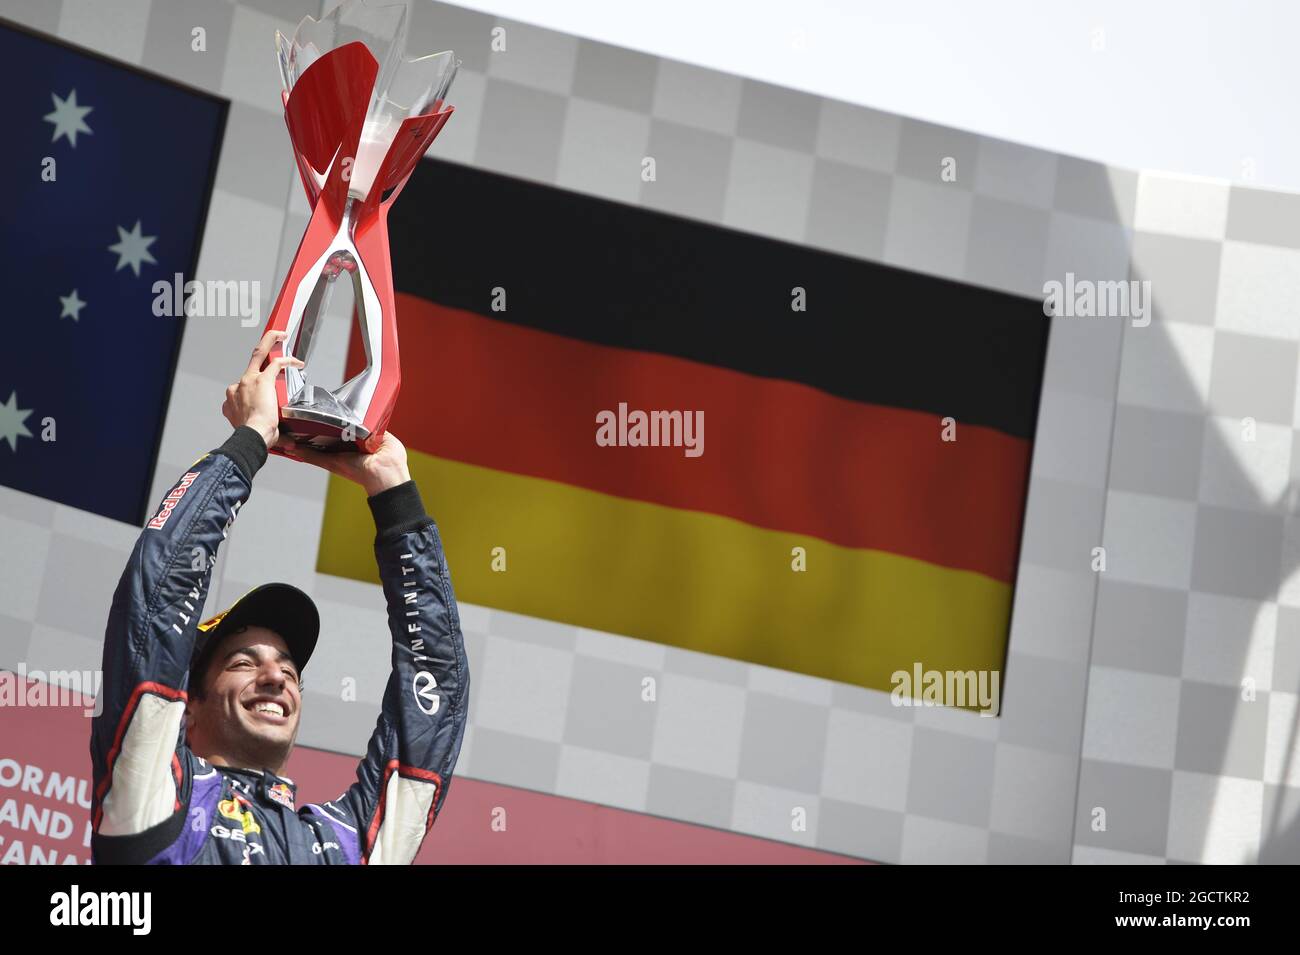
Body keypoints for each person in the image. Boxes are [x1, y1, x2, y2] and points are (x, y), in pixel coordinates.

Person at [88, 330, 469, 864]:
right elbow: (155, 605)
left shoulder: (344, 847)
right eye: (243, 662)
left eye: (289, 670)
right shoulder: (153, 791)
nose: (275, 679)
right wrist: (250, 439)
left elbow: (432, 705)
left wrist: (394, 493)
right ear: (185, 707)